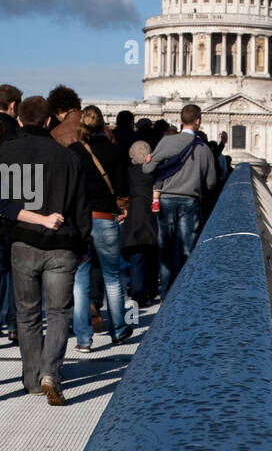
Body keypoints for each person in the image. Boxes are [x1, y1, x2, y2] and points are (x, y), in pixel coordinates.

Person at [0, 94, 90, 404]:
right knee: (59, 312)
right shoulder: (68, 158)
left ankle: (32, 378)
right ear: (50, 121)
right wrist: (82, 245)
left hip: (22, 241)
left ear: (21, 120)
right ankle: (51, 370)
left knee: (27, 315)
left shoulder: (5, 153)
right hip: (61, 244)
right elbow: (82, 209)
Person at [69, 105, 131, 350]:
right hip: (106, 218)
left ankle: (83, 339)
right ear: (102, 124)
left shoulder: (73, 152)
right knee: (112, 277)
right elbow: (123, 188)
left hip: (80, 220)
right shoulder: (114, 152)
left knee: (80, 279)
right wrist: (123, 207)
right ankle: (118, 329)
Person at [142, 103, 216, 296]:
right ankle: (186, 291)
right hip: (191, 201)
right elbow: (211, 183)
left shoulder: (166, 143)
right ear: (198, 121)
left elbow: (147, 170)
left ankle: (166, 292)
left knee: (165, 247)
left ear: (180, 121)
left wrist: (151, 161)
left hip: (165, 201)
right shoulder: (204, 149)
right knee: (188, 248)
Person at [122, 140, 159, 306]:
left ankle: (138, 293)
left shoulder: (128, 173)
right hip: (152, 217)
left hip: (134, 218)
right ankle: (151, 290)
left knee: (137, 257)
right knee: (152, 255)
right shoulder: (155, 173)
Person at [0, 84, 24, 342]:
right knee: (16, 272)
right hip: (14, 210)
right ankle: (14, 324)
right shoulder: (17, 134)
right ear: (13, 105)